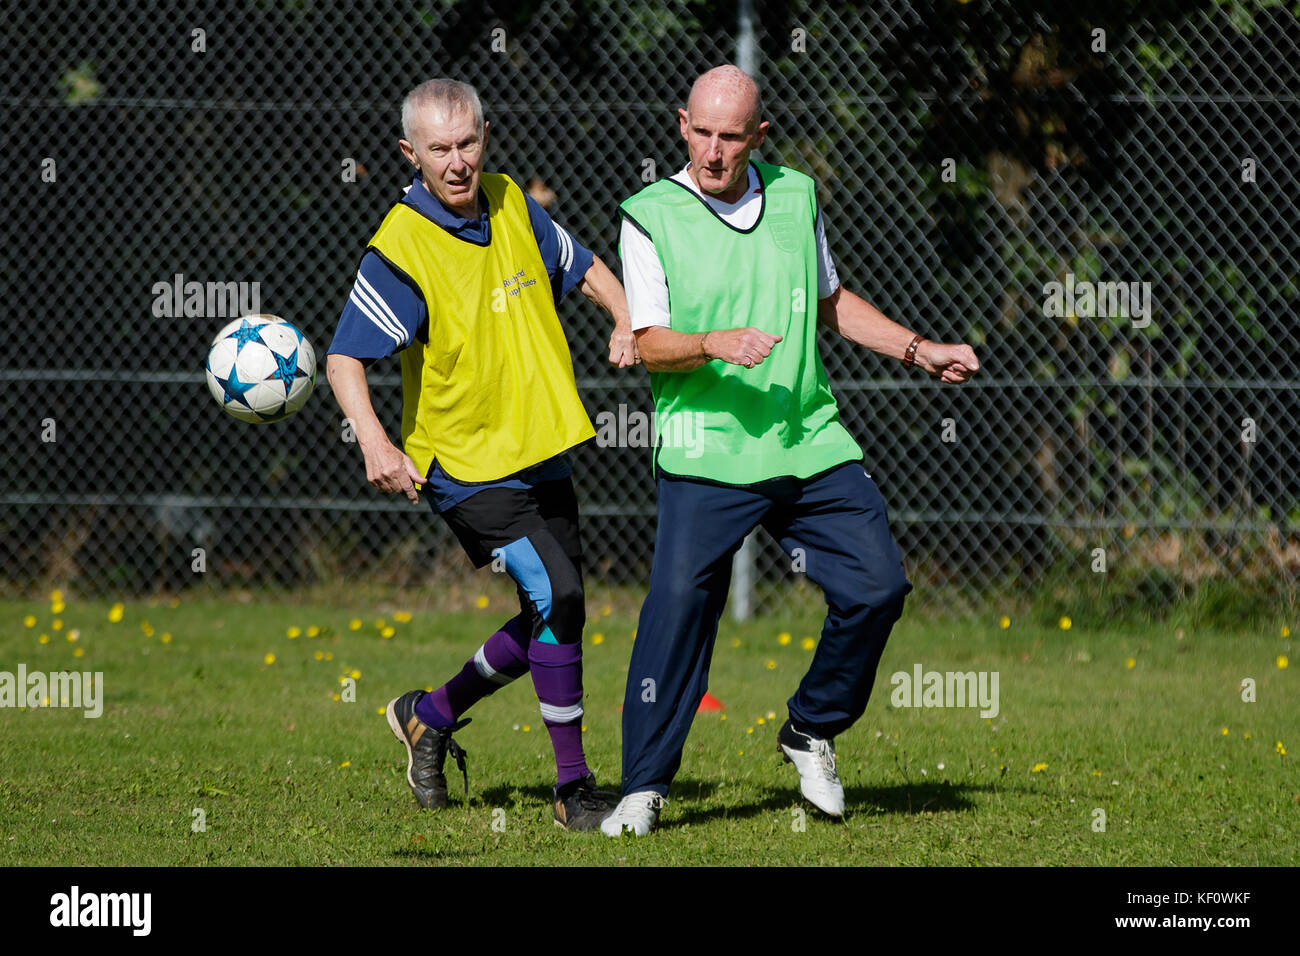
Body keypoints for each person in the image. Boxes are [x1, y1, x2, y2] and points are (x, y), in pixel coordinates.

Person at [601, 65, 980, 836]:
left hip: (806, 436)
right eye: (701, 132)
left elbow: (833, 303)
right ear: (681, 124)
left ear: (759, 136)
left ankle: (810, 729)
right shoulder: (649, 215)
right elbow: (647, 342)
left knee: (879, 587)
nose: (713, 151)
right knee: (676, 613)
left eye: (730, 136)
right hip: (707, 451)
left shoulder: (797, 195)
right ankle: (643, 788)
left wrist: (918, 348)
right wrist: (711, 343)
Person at [326, 78, 635, 831]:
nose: (458, 162)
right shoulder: (400, 247)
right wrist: (374, 439)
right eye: (440, 149)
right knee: (557, 599)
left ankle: (428, 716)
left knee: (555, 614)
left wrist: (626, 318)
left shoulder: (510, 201)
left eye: (467, 142)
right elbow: (343, 357)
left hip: (543, 442)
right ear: (411, 154)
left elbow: (583, 265)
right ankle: (573, 792)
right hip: (464, 465)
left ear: (485, 136)